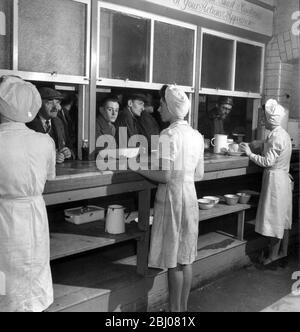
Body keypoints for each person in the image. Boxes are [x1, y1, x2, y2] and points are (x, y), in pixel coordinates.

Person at [133, 85, 204, 312]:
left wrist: (137, 167)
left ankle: (174, 313)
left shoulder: (168, 134)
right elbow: (199, 174)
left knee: (174, 260)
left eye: (162, 104)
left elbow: (164, 175)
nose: (159, 108)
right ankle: (182, 309)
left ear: (172, 108)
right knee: (186, 257)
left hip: (172, 199)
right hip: (190, 196)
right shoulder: (196, 135)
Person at [0, 76, 56, 312]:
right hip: (34, 213)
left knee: (6, 279)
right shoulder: (44, 141)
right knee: (34, 271)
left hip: (5, 215)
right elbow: (49, 177)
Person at [240, 99, 293, 265]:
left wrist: (249, 153)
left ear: (271, 120)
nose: (262, 120)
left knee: (275, 219)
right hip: (283, 178)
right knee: (283, 218)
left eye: (264, 117)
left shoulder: (275, 137)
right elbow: (275, 146)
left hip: (275, 181)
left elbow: (267, 162)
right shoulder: (282, 133)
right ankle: (283, 252)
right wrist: (261, 143)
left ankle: (273, 256)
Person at [27, 87, 72, 164]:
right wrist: (50, 157)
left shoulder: (59, 122)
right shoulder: (28, 124)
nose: (55, 107)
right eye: (50, 103)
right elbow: (26, 154)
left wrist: (68, 152)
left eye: (57, 102)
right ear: (39, 104)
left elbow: (69, 145)